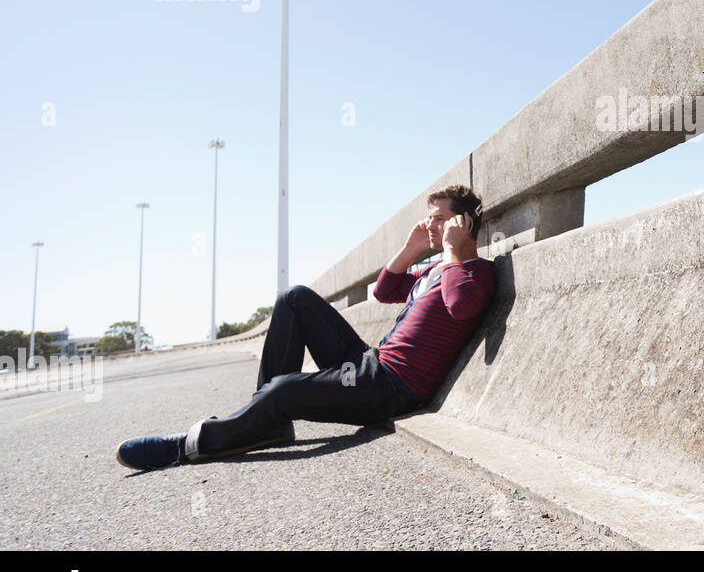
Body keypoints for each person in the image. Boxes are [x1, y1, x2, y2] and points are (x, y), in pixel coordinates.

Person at [115, 184, 495, 471]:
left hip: (390, 387)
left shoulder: (474, 272)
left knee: (284, 390)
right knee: (294, 298)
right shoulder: (430, 271)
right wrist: (414, 246)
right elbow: (384, 291)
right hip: (368, 364)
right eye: (431, 219)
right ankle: (269, 423)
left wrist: (451, 249)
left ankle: (186, 446)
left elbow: (462, 306)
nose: (433, 226)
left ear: (464, 225)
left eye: (441, 219)